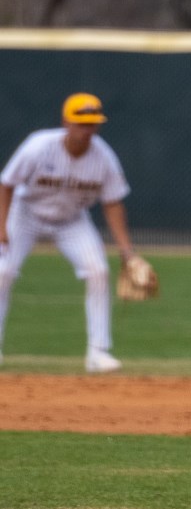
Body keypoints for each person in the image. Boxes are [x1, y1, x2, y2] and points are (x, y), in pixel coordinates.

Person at [0, 93, 137, 373]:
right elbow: (6, 183)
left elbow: (113, 203)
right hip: (25, 213)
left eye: (92, 124)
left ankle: (98, 353)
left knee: (98, 271)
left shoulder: (104, 157)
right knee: (3, 271)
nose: (87, 130)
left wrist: (127, 251)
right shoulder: (38, 146)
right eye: (81, 123)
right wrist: (1, 225)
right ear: (66, 122)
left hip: (72, 220)